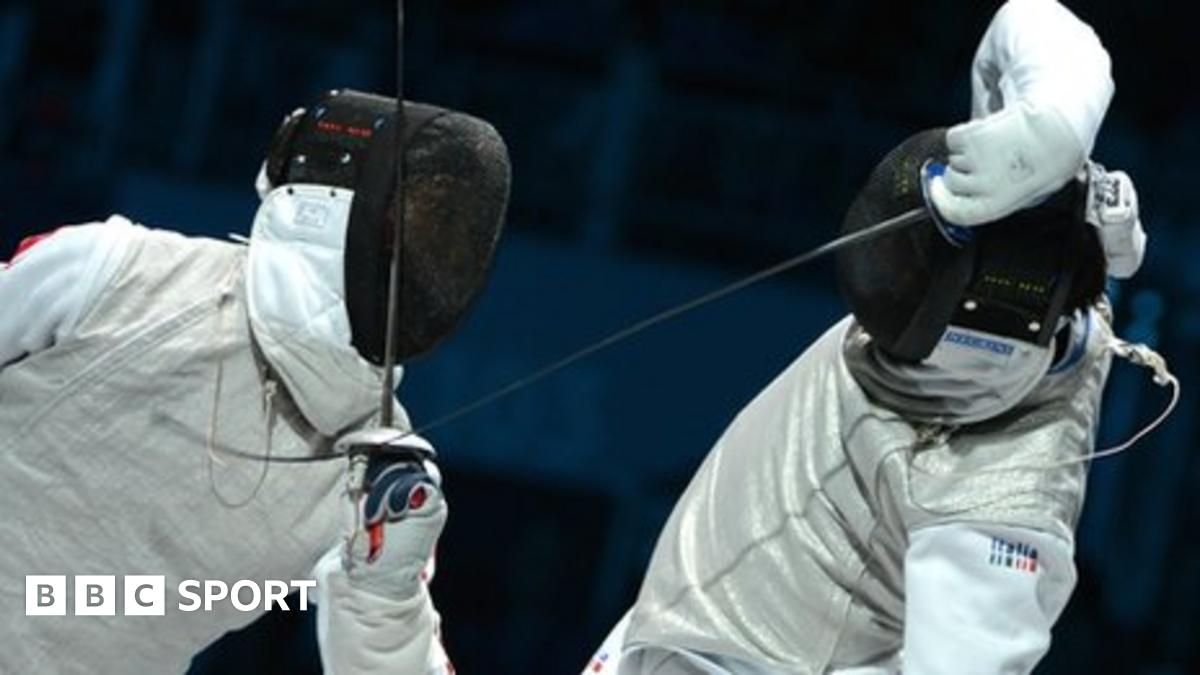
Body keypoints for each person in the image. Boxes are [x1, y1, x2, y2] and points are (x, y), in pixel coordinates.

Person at [586, 1, 1160, 673]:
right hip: (673, 620)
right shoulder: (1002, 197)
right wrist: (1060, 119)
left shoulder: (1000, 506)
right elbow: (1030, 20)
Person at [0, 89, 510, 674]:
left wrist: (385, 595)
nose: (426, 248)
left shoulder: (377, 477)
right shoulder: (121, 272)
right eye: (413, 219)